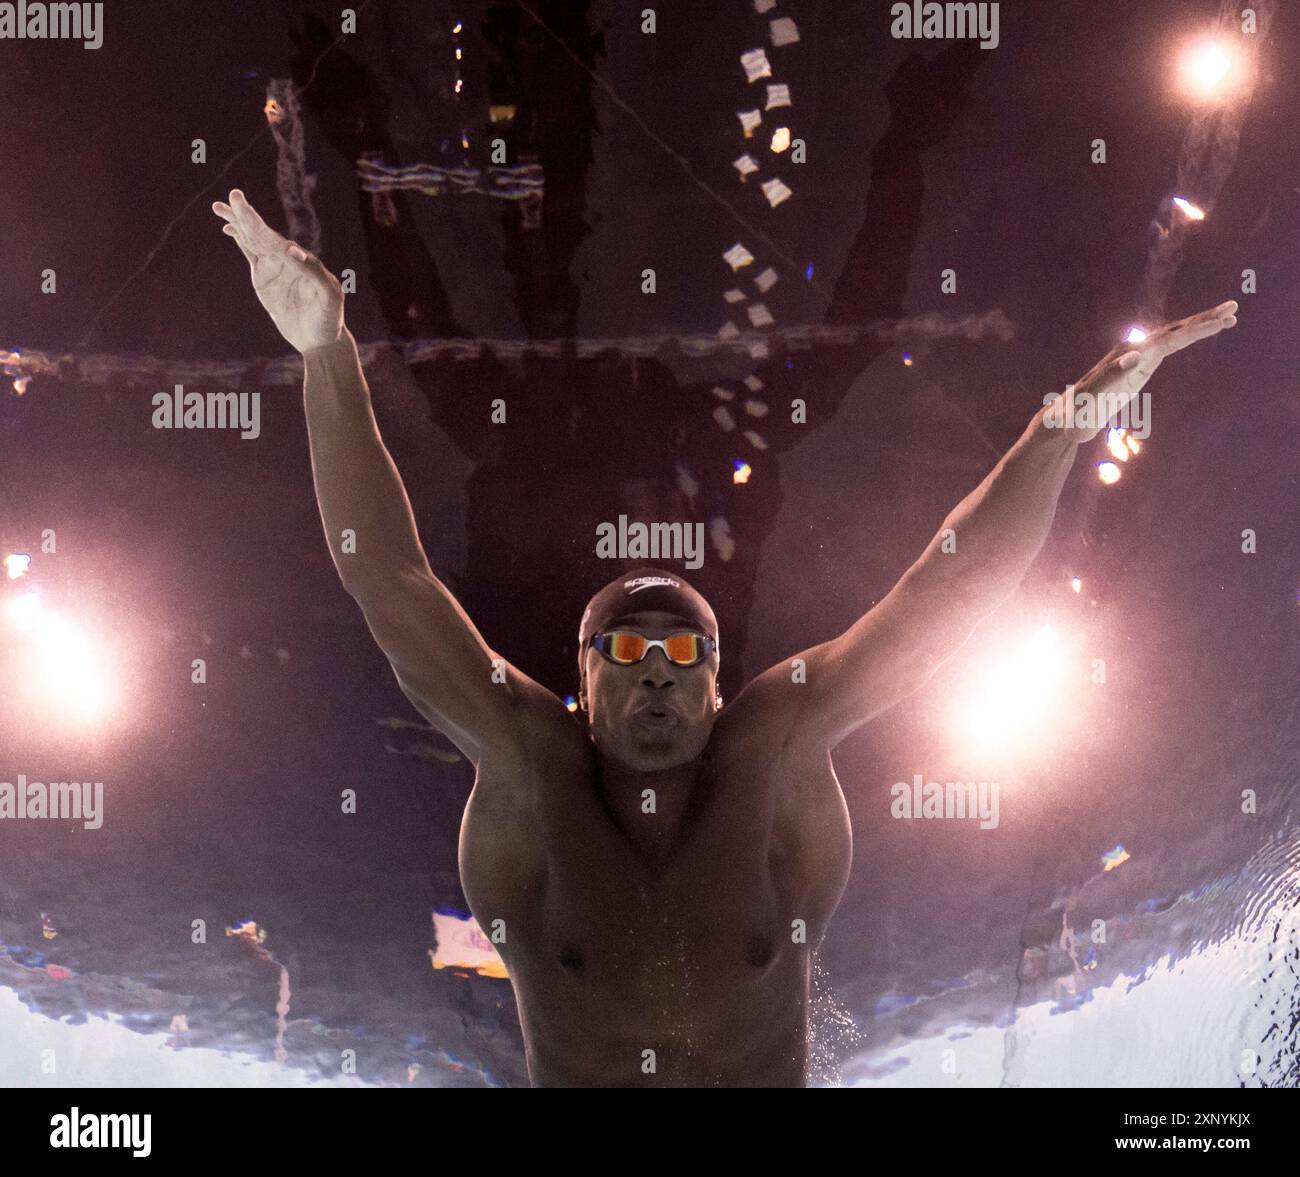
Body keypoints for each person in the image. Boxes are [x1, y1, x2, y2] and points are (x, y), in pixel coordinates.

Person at [213, 188, 1237, 1086]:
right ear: (580, 678)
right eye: (625, 649)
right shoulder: (531, 769)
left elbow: (944, 593)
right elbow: (390, 582)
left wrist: (1055, 431)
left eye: (680, 652)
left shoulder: (773, 747)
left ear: (718, 681)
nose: (654, 669)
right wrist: (326, 353)